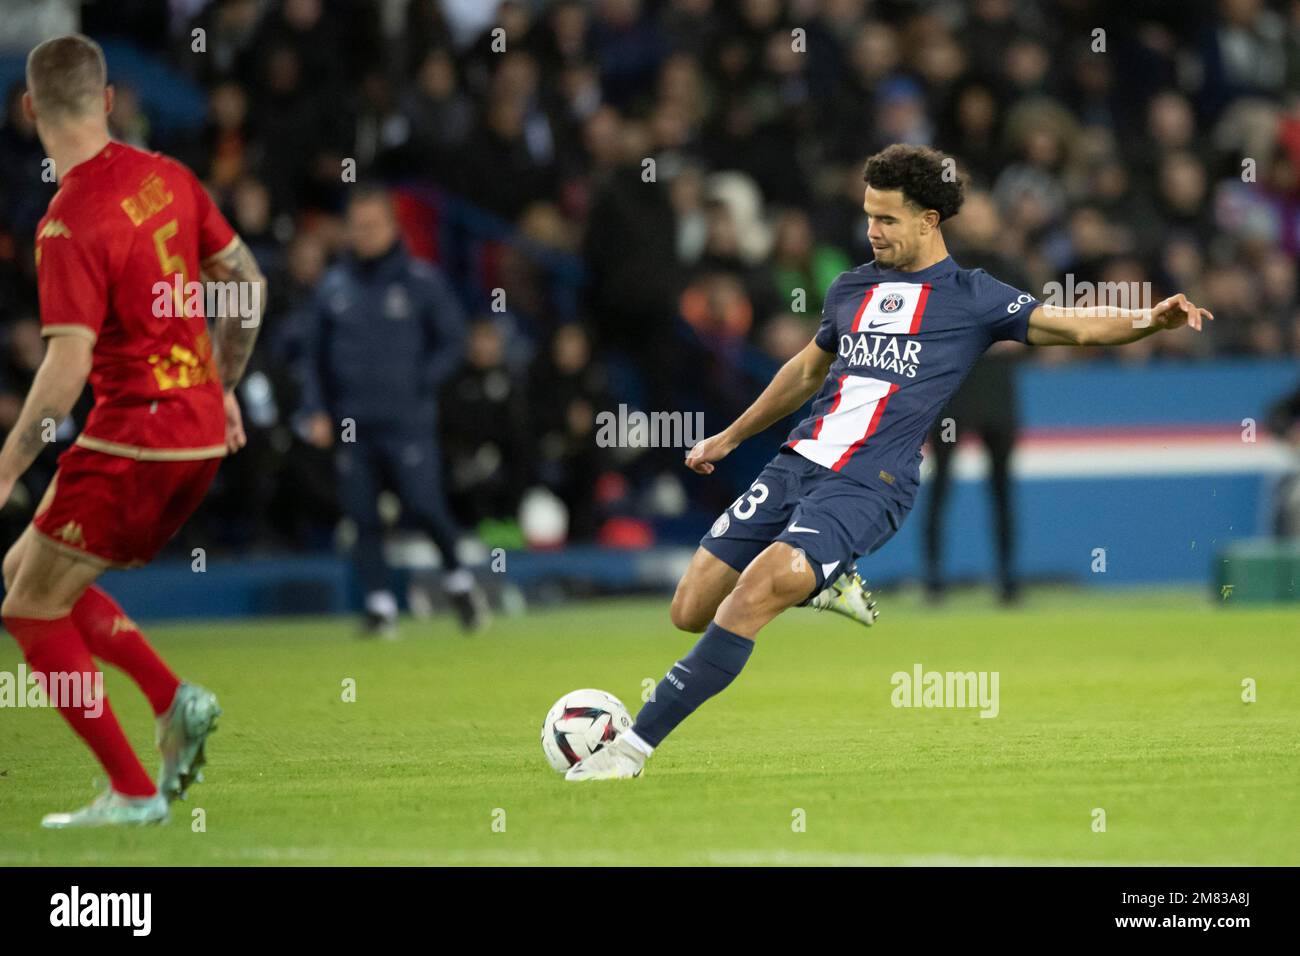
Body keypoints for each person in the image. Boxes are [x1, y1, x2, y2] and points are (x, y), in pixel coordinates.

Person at [568, 144, 1213, 781]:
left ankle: (629, 751)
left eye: (887, 219)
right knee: (690, 610)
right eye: (868, 216)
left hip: (869, 483)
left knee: (756, 595)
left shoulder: (973, 297)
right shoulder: (852, 287)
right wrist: (731, 437)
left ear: (929, 221)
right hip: (798, 464)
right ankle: (826, 581)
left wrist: (1147, 321)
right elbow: (804, 371)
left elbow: (1070, 326)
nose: (871, 231)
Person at [0, 35, 264, 824]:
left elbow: (65, 373)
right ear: (110, 99)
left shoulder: (66, 220)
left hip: (133, 439)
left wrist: (9, 466)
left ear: (29, 112)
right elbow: (246, 284)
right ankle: (170, 697)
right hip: (196, 439)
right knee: (28, 569)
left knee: (25, 612)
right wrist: (223, 385)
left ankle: (134, 792)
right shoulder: (171, 178)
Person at [296, 185, 488, 637]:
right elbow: (313, 357)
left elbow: (453, 340)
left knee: (424, 506)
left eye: (373, 225)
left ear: (392, 226)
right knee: (361, 515)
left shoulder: (421, 282)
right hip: (351, 425)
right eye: (357, 226)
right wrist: (316, 409)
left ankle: (459, 580)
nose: (364, 234)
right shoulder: (333, 286)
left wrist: (421, 382)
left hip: (408, 423)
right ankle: (380, 606)